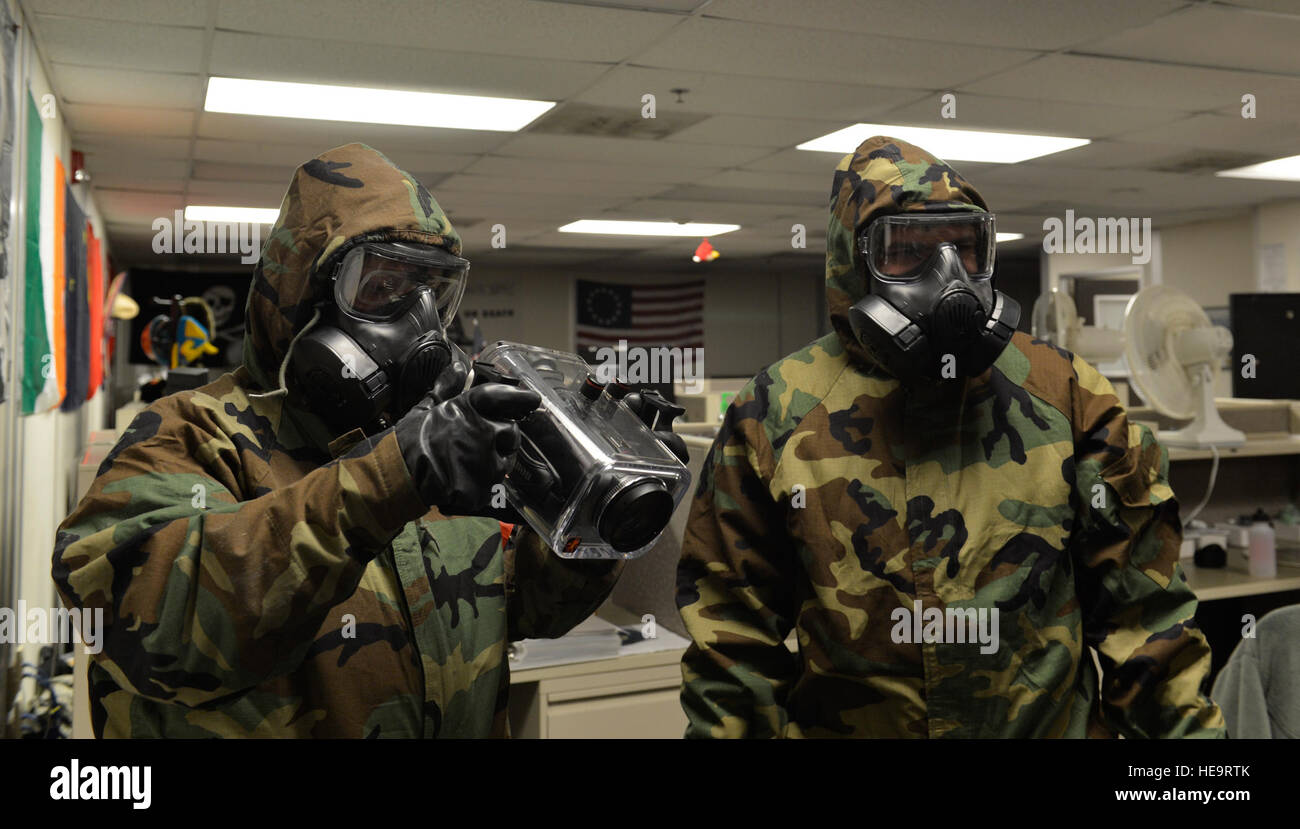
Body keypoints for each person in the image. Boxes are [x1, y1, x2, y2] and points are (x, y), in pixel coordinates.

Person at [51, 143, 672, 738]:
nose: (420, 323)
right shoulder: (189, 434)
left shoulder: (441, 444)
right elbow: (156, 629)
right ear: (303, 298)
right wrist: (393, 475)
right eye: (384, 288)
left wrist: (590, 512)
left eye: (434, 292)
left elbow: (530, 612)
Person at [676, 135, 1225, 739]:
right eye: (906, 251)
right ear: (852, 263)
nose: (948, 276)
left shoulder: (1067, 393)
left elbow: (1147, 622)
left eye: (964, 247)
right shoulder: (776, 413)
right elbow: (732, 648)